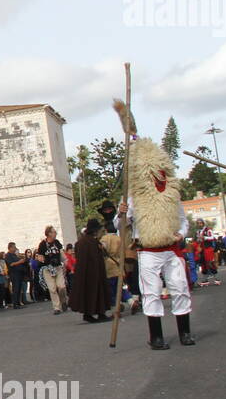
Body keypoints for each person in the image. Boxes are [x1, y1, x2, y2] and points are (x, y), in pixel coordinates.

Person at [113, 98, 194, 349]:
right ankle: (156, 336)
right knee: (151, 293)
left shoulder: (172, 194)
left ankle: (185, 333)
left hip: (171, 249)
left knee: (180, 288)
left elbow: (183, 221)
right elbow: (118, 225)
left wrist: (181, 234)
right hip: (148, 251)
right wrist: (121, 212)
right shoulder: (135, 198)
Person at [69, 219, 111, 323]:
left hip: (85, 273)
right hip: (94, 272)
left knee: (89, 293)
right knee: (95, 292)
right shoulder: (91, 242)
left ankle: (92, 313)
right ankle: (96, 313)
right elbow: (96, 258)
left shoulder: (82, 242)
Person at [35, 228, 68, 315]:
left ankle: (63, 301)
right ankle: (56, 307)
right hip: (48, 269)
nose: (55, 233)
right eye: (54, 232)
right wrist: (41, 259)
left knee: (61, 286)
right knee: (52, 288)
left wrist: (65, 262)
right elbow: (39, 255)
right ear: (49, 234)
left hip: (57, 267)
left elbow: (62, 254)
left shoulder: (57, 242)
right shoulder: (42, 244)